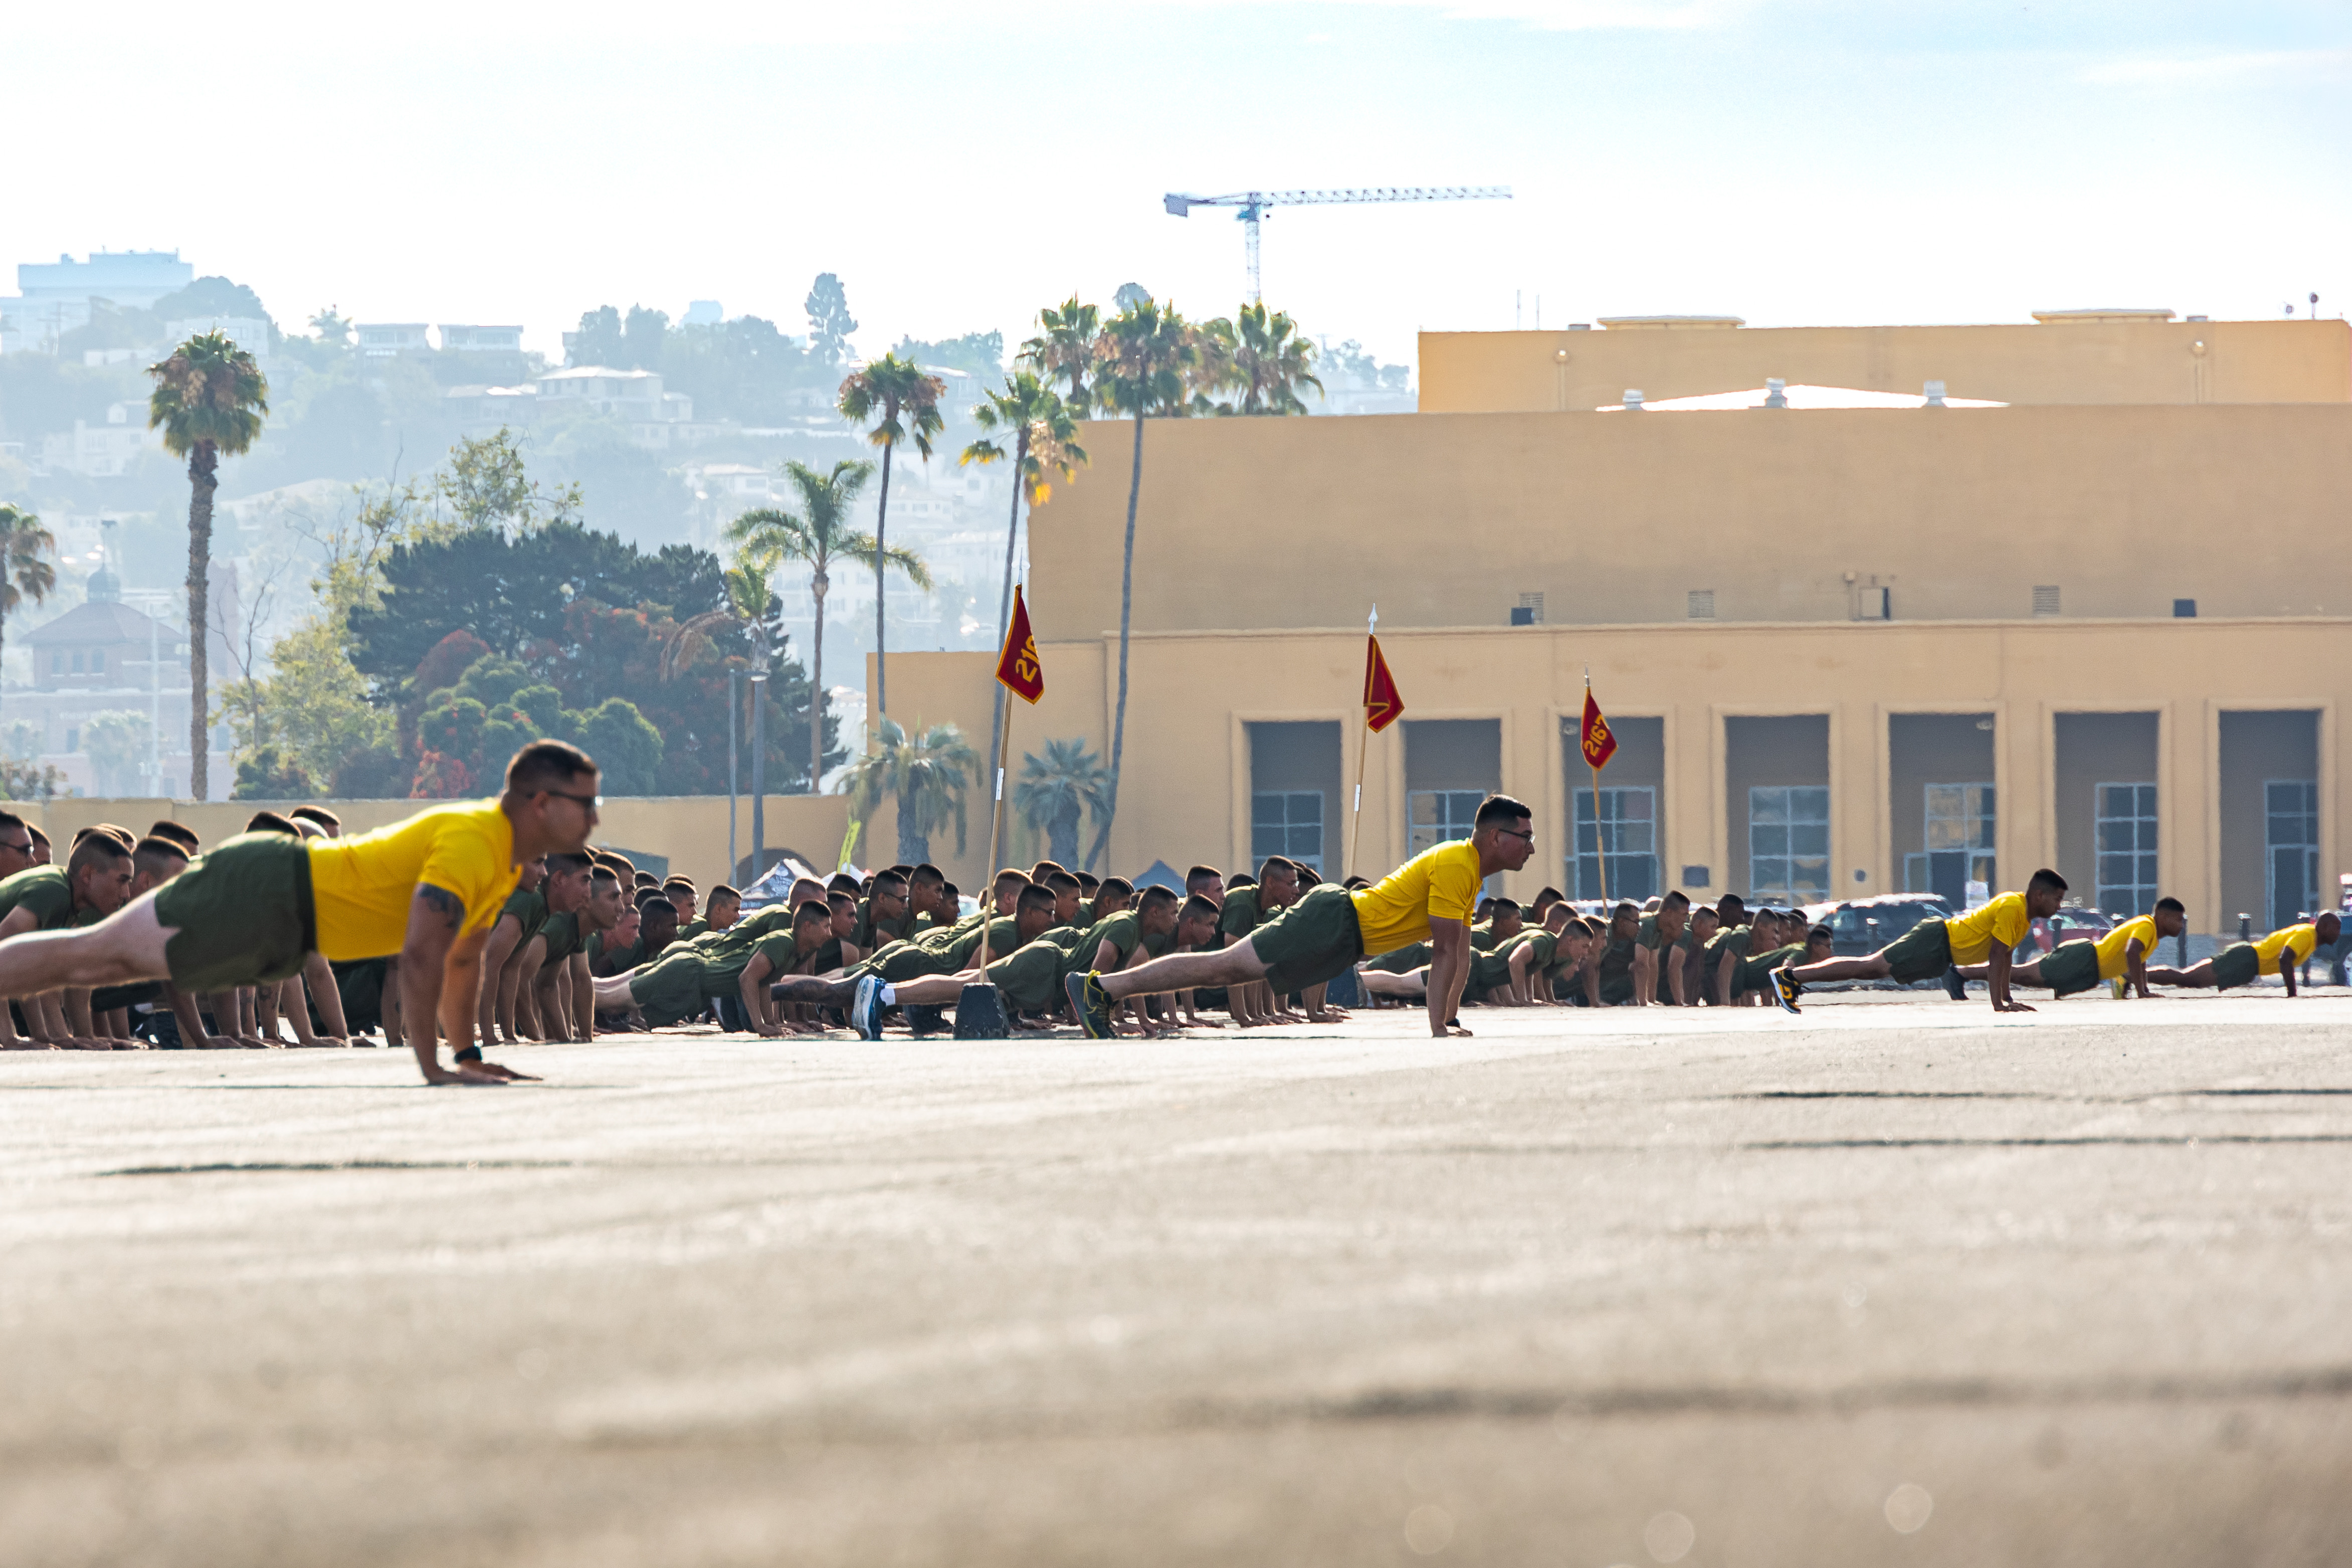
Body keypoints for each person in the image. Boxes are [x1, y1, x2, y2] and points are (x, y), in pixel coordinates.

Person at [0, 741, 600, 1081]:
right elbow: (421, 956)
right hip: (269, 889)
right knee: (92, 956)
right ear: (542, 803)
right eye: (585, 804)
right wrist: (434, 1067)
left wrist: (465, 1055)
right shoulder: (474, 841)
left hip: (284, 923)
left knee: (98, 964)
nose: (593, 819)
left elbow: (464, 962)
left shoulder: (500, 860)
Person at [1067, 795, 1538, 1040]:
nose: (1532, 847)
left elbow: (1458, 953)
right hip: (1334, 920)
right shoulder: (1458, 863)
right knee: (1224, 965)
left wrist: (1449, 1019)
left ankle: (1103, 991)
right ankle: (1101, 989)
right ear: (1496, 837)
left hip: (1342, 935)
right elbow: (1444, 952)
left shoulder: (1469, 870)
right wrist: (1438, 1026)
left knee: (1227, 965)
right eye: (1525, 837)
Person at [1772, 869, 2068, 1014]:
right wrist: (1999, 1006)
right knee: (1869, 967)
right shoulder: (2013, 908)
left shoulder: (2024, 917)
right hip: (1937, 940)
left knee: (1870, 968)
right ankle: (1791, 977)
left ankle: (1792, 978)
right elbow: (1995, 956)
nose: (2059, 907)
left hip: (1941, 951)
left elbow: (2004, 959)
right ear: (2039, 895)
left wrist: (2008, 1000)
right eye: (2057, 899)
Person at [0, 834, 138, 1049]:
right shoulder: (54, 891)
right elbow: (3, 955)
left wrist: (52, 1037)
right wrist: (8, 1039)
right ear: (89, 874)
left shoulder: (71, 904)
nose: (127, 893)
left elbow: (32, 973)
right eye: (122, 881)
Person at [1950, 898, 2187, 1000]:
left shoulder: (2152, 933)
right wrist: (2142, 991)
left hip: (2087, 970)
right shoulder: (2147, 925)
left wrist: (2142, 986)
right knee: (2021, 974)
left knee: (2023, 977)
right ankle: (1960, 974)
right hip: (2081, 960)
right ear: (2163, 917)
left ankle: (1961, 974)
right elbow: (2132, 953)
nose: (2181, 924)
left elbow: (2140, 958)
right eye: (2178, 919)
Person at [2146, 910, 2341, 995]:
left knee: (2190, 981)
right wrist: (2292, 994)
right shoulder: (2307, 935)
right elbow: (2285, 959)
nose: (2338, 934)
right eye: (2336, 928)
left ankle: (2135, 978)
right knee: (2186, 978)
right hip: (2246, 959)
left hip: (2247, 962)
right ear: (2323, 927)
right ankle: (2133, 977)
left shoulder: (2310, 938)